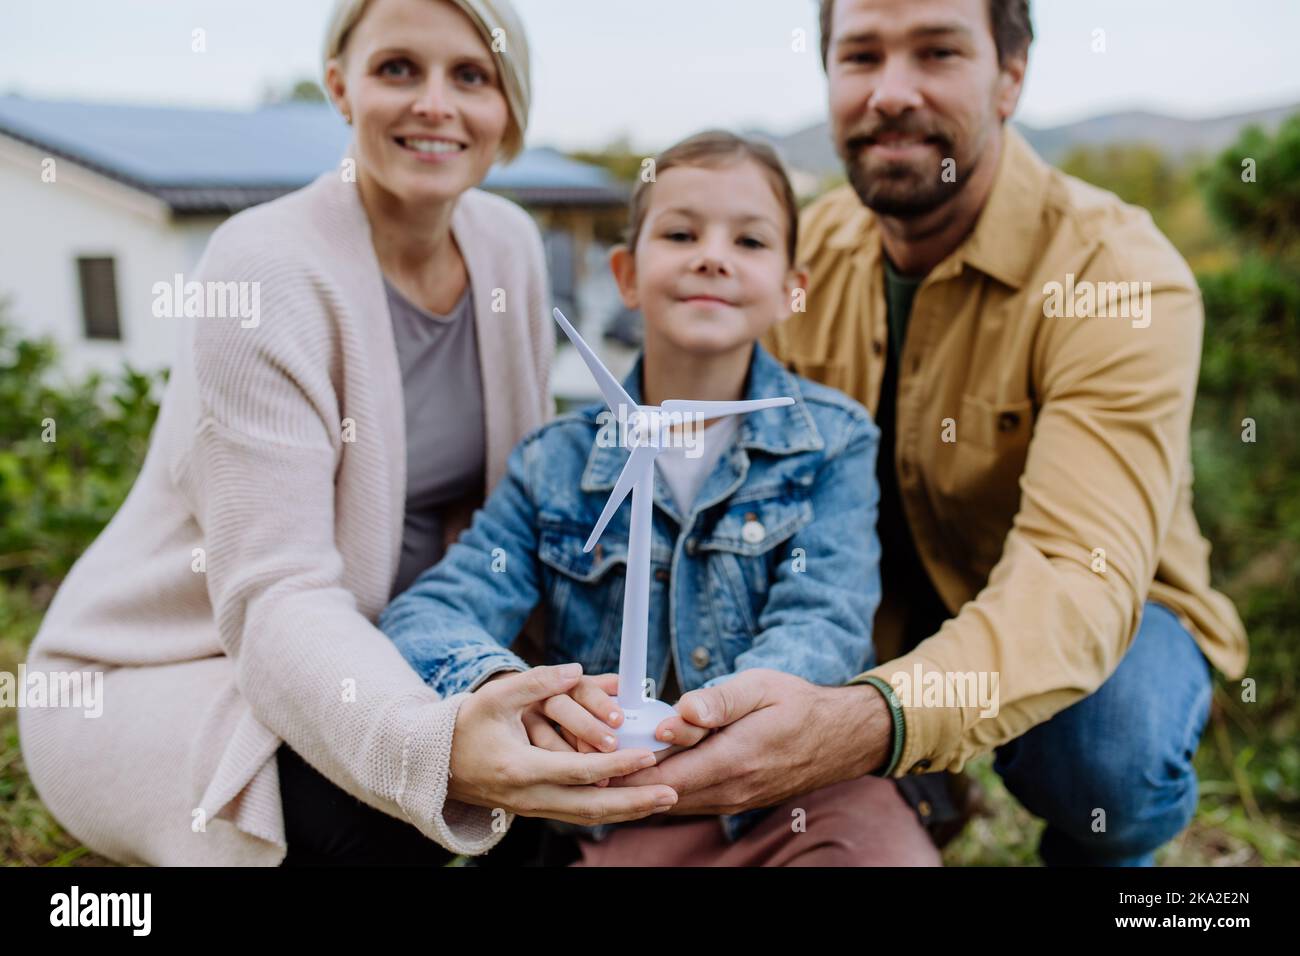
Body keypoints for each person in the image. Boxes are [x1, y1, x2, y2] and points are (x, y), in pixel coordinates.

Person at [18, 0, 677, 867]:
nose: (434, 102)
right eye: (398, 68)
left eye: (470, 75)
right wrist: (434, 740)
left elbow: (510, 518)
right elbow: (275, 594)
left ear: (508, 111)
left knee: (537, 816)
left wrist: (513, 687)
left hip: (408, 651)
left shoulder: (508, 245)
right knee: (377, 818)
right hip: (179, 671)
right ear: (340, 87)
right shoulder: (263, 270)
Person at [610, 0, 1249, 867]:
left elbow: (1076, 574)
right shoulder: (799, 259)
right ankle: (908, 795)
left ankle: (1102, 852)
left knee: (1111, 757)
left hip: (1100, 603)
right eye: (861, 56)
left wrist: (868, 724)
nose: (891, 93)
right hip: (873, 596)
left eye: (938, 52)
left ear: (1011, 74)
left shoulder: (1119, 276)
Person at [379, 130, 941, 866]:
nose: (713, 255)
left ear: (789, 290)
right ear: (627, 275)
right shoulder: (555, 462)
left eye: (749, 241)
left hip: (785, 801)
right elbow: (429, 613)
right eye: (680, 233)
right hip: (606, 807)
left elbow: (825, 620)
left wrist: (719, 719)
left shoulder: (832, 442)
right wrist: (514, 689)